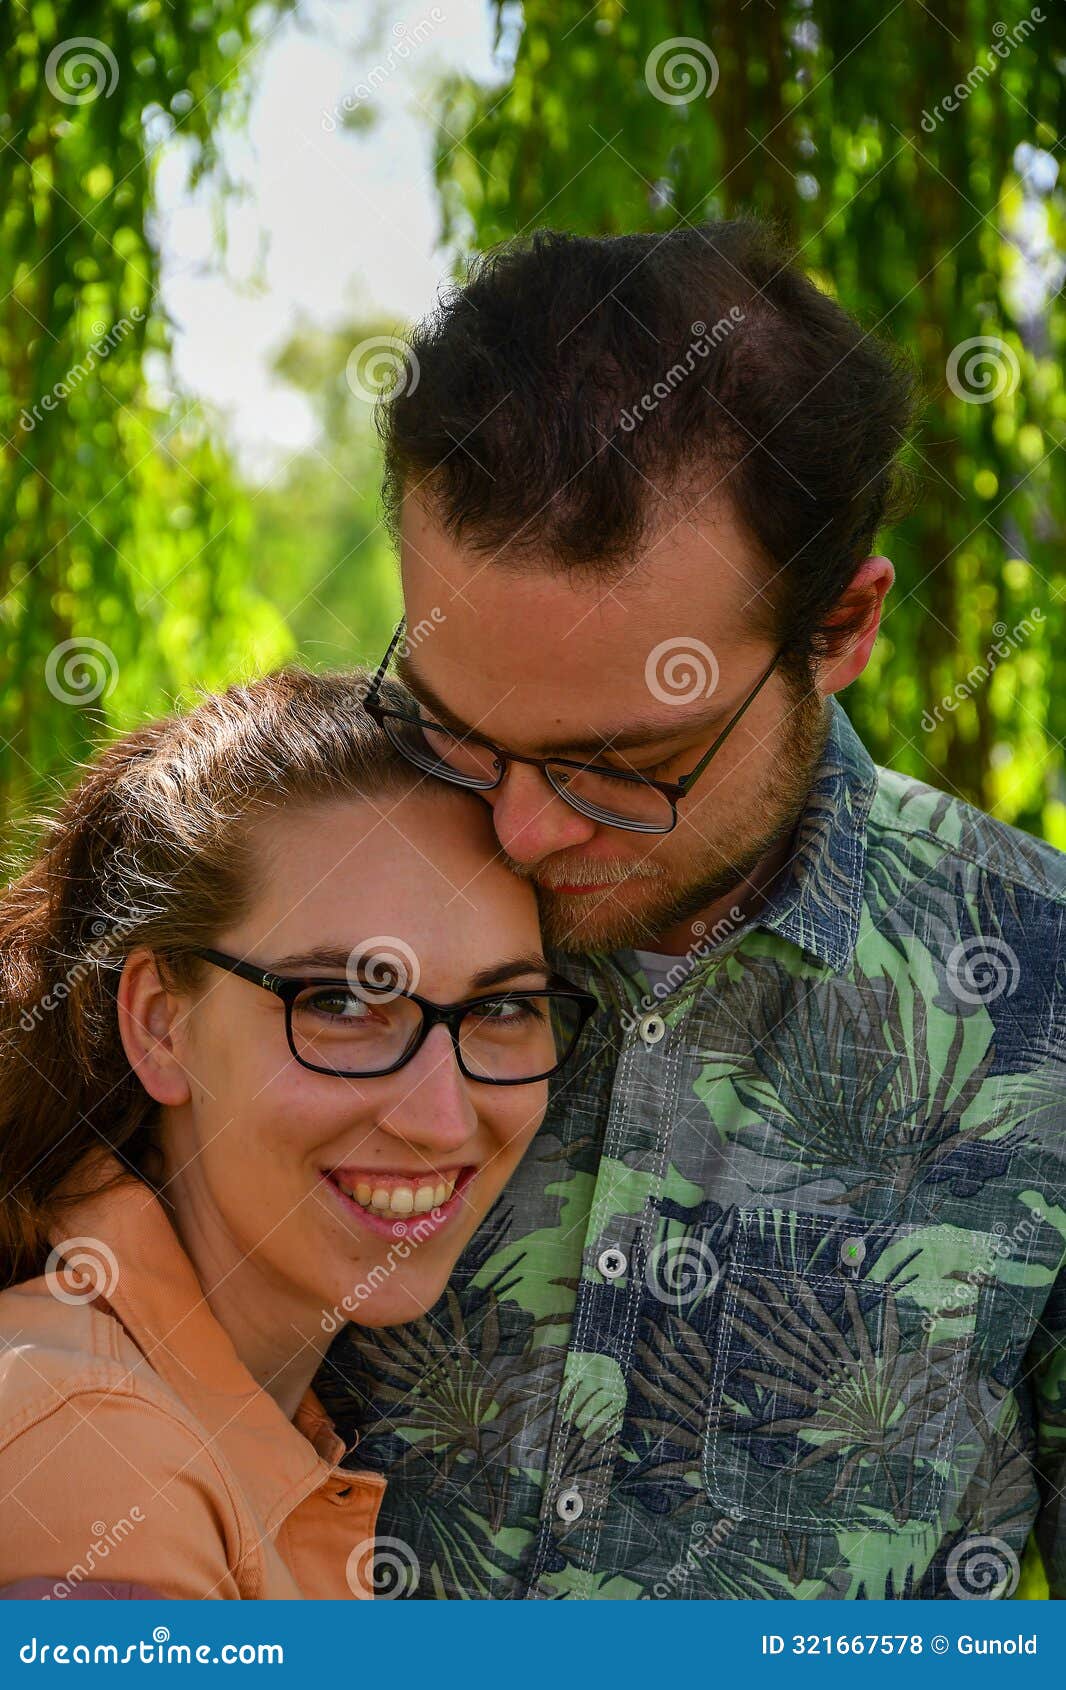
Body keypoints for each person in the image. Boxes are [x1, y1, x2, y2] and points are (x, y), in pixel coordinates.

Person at [319, 219, 1066, 1600]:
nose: (520, 831)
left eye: (623, 765)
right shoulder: (280, 892)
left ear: (839, 627)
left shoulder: (1043, 993)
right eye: (453, 729)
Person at [0, 667, 593, 1600]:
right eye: (345, 1003)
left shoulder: (240, 1412)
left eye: (503, 1007)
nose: (442, 1118)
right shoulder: (87, 1442)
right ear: (162, 1023)